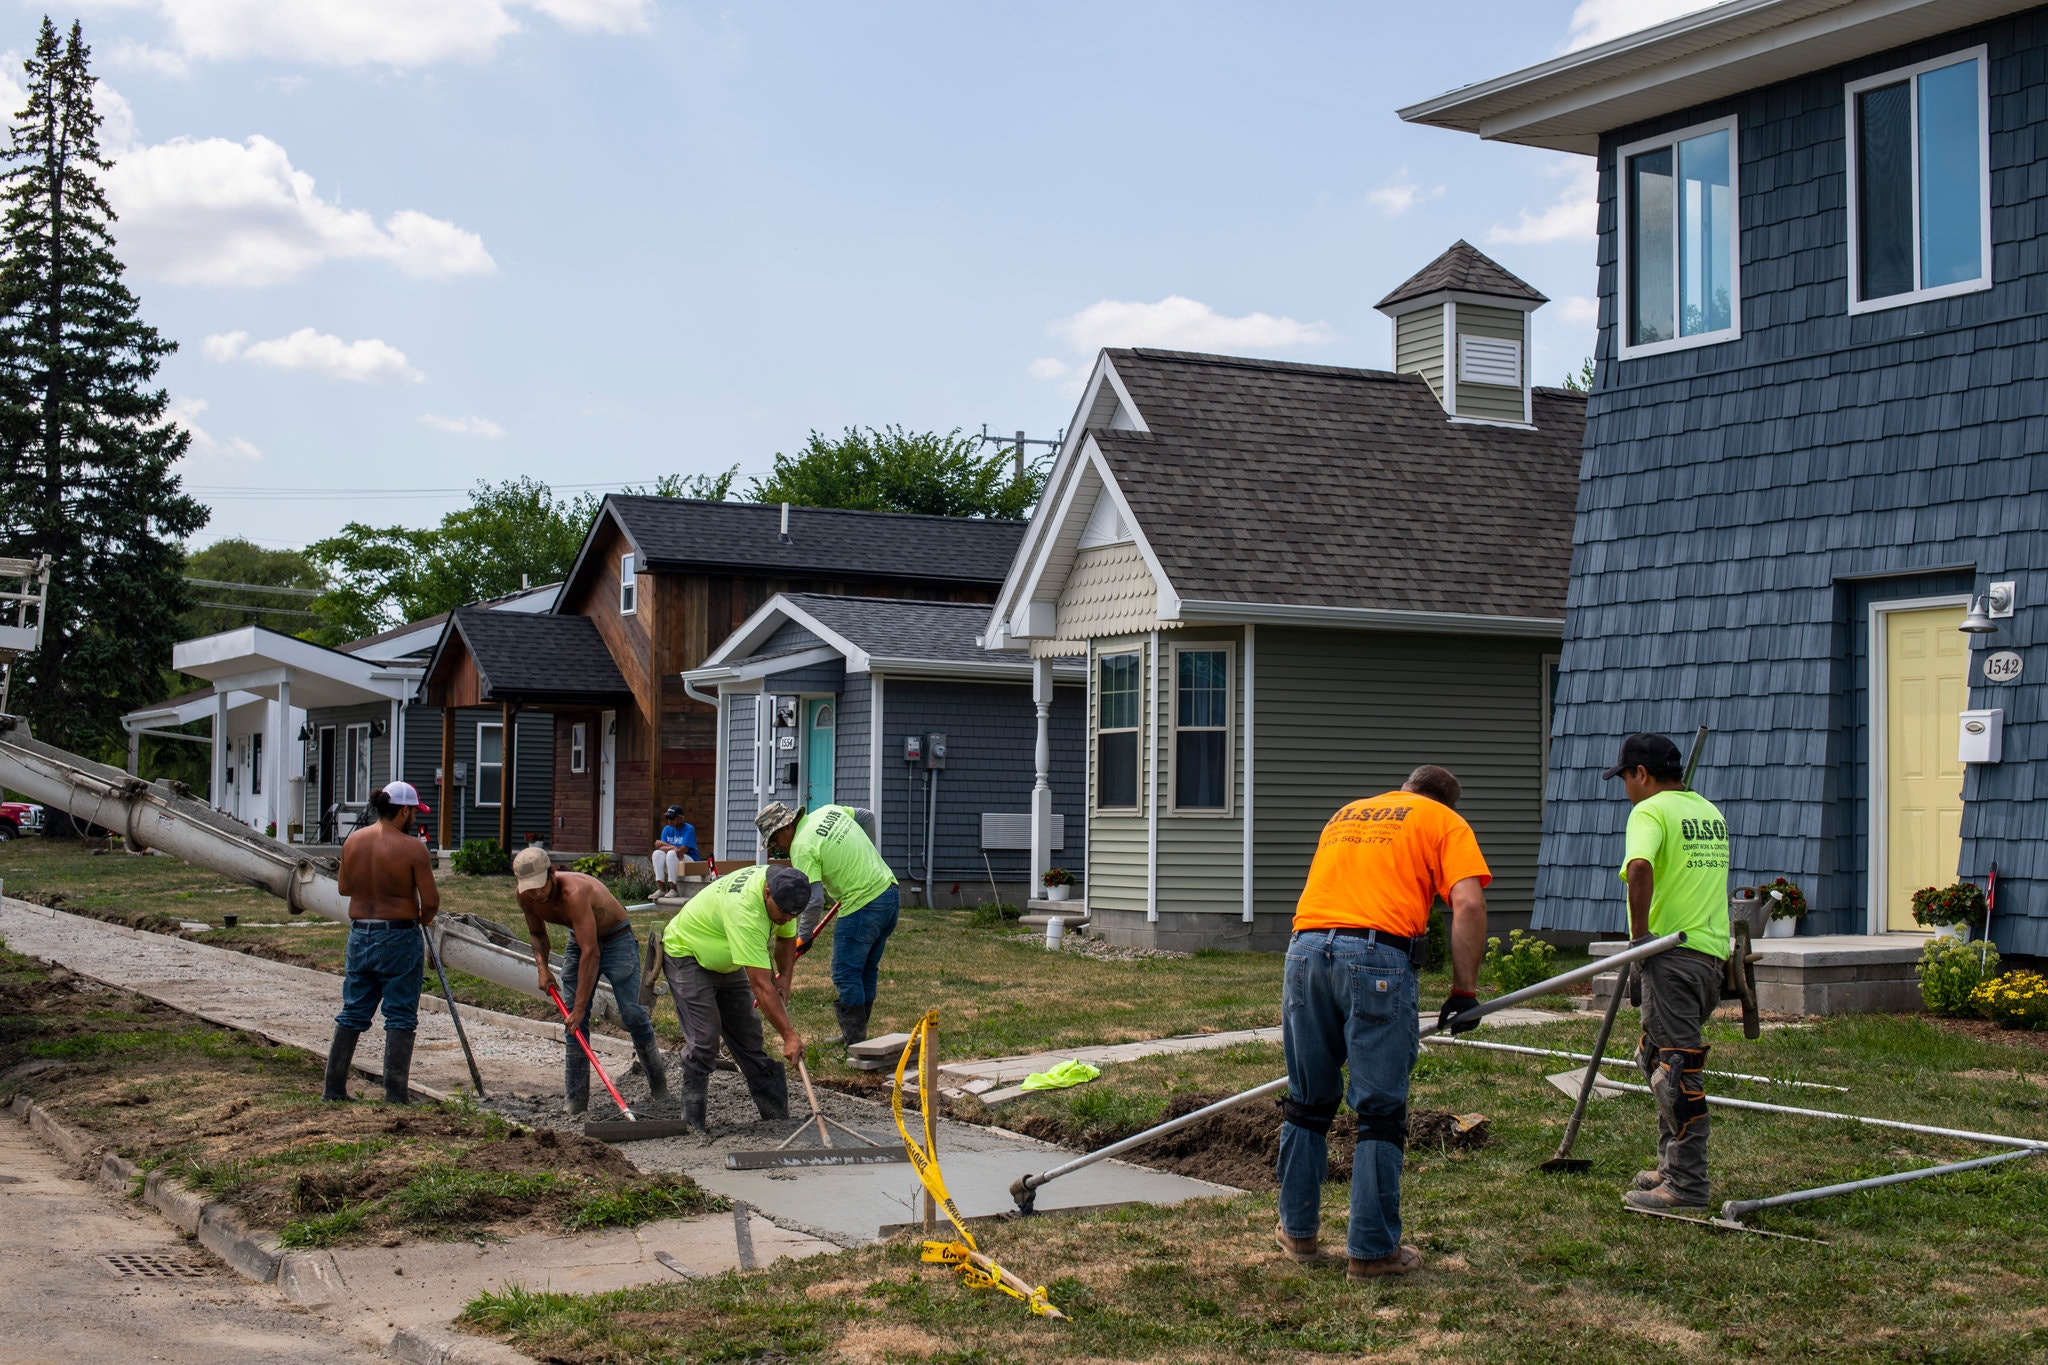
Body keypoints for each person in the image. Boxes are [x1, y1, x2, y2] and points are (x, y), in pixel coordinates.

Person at [1277, 765, 1490, 1280]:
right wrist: (1464, 990)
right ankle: (1372, 1252)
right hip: (1375, 959)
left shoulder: (1348, 813)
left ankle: (1297, 1232)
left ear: (1406, 789)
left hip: (1305, 951)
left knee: (1307, 1101)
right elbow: (1468, 902)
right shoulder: (1443, 821)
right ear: (1446, 802)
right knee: (1380, 1110)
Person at [1603, 732, 1731, 1213]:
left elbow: (1639, 868)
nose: (1625, 789)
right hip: (1708, 957)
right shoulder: (1708, 811)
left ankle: (1686, 1184)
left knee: (1675, 1074)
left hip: (1670, 955)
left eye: (1626, 778)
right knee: (1657, 1056)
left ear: (1642, 774)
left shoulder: (1649, 811)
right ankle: (1668, 1163)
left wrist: (1639, 943)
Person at [511, 844, 669, 1115]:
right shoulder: (526, 895)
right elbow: (537, 934)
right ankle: (575, 1101)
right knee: (573, 1020)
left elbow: (591, 953)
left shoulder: (574, 893)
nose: (536, 894)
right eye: (530, 888)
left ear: (552, 873)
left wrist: (581, 1007)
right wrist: (542, 968)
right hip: (580, 938)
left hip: (616, 937)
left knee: (632, 1013)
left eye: (540, 886)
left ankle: (660, 1087)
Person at [659, 863, 810, 1131]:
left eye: (792, 916)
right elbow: (761, 986)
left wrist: (785, 977)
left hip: (727, 958)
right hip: (688, 953)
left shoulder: (786, 892)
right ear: (767, 893)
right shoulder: (746, 910)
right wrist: (789, 1036)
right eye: (783, 914)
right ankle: (692, 1124)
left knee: (749, 1038)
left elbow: (786, 940)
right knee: (704, 1040)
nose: (787, 920)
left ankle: (777, 1121)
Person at [326, 781, 439, 1104]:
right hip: (398, 935)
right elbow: (430, 901)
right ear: (403, 811)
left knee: (353, 1010)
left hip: (360, 934)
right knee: (401, 1013)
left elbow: (345, 888)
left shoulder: (354, 842)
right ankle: (395, 1094)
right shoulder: (413, 849)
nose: (415, 817)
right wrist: (424, 916)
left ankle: (333, 1089)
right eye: (414, 811)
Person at [756, 801, 896, 1046]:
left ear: (784, 828)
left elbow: (812, 899)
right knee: (865, 969)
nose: (777, 847)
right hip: (889, 892)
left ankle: (854, 1041)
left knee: (845, 972)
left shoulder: (801, 845)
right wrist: (867, 857)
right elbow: (867, 816)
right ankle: (857, 1037)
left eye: (775, 841)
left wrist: (804, 935)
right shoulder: (827, 811)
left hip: (862, 904)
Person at [651, 805, 699, 898]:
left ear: (680, 818)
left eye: (672, 818)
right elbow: (661, 848)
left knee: (671, 854)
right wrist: (673, 847)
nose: (669, 821)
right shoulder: (667, 829)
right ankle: (662, 889)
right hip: (674, 860)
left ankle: (674, 889)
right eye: (667, 818)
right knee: (657, 853)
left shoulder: (689, 829)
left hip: (690, 861)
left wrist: (666, 846)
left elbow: (682, 851)